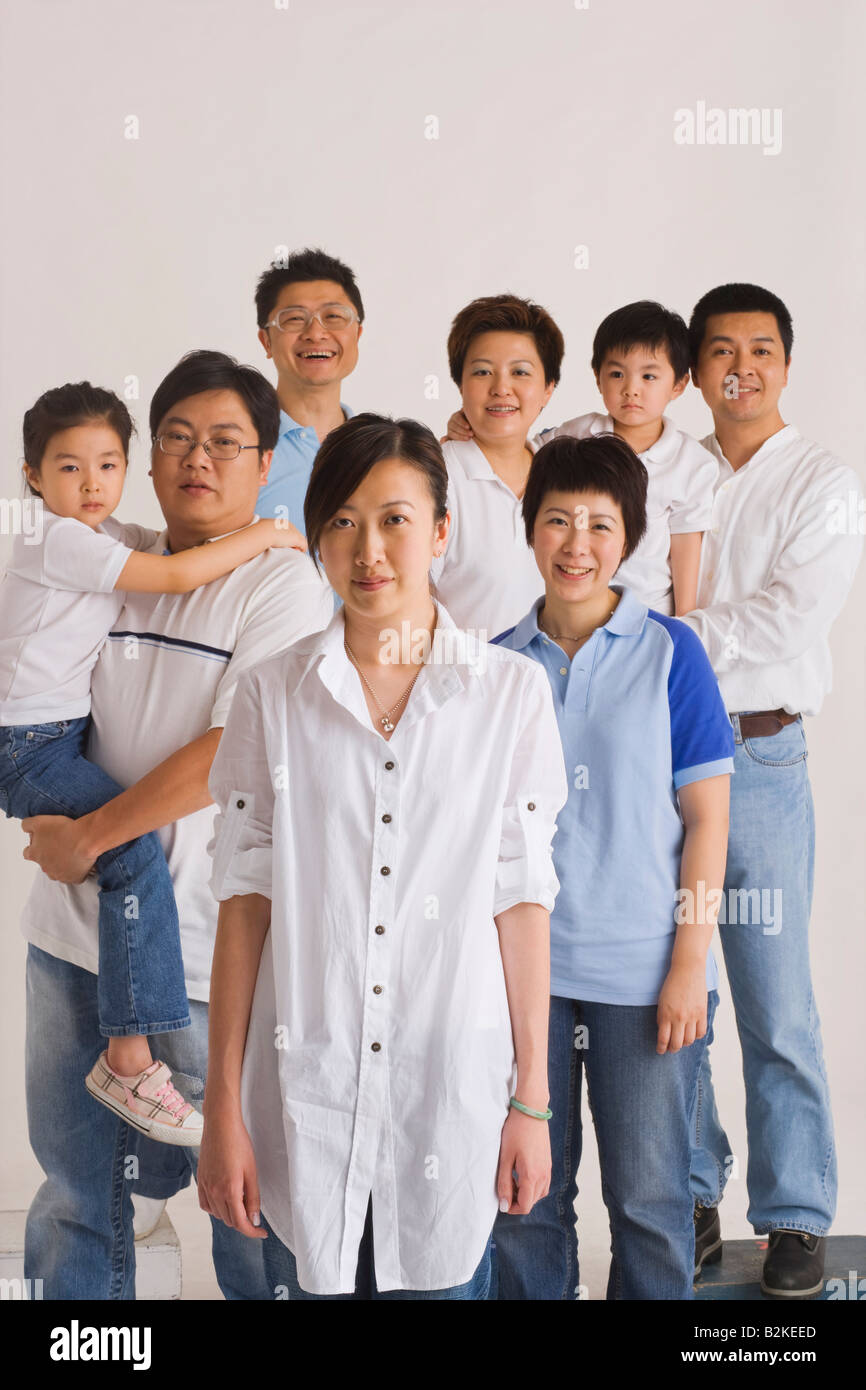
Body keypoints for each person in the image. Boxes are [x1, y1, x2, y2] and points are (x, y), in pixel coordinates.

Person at [198, 413, 570, 1299]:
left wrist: (532, 1099)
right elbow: (244, 904)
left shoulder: (509, 695)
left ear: (441, 532)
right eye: (342, 521)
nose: (369, 549)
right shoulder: (269, 696)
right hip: (303, 1101)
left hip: (452, 1103)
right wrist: (222, 1107)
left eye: (396, 519)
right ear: (318, 535)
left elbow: (520, 904)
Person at [16, 350, 333, 1299]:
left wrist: (94, 836)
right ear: (148, 460)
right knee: (79, 1192)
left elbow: (229, 747)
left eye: (226, 442)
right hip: (70, 936)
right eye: (178, 440)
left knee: (241, 1193)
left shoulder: (282, 584)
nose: (198, 458)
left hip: (201, 947)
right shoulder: (111, 557)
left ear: (267, 458)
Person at [492, 434, 733, 1300]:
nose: (576, 544)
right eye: (557, 520)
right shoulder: (494, 662)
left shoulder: (675, 652)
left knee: (650, 1202)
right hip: (525, 980)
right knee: (526, 1203)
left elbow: (707, 820)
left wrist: (690, 965)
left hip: (645, 979)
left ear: (628, 538)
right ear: (530, 530)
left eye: (600, 524)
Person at [683, 283, 863, 1297]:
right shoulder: (667, 466)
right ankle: (690, 1190)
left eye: (758, 348)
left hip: (755, 758)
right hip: (655, 760)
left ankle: (793, 1214)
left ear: (784, 364)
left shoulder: (823, 482)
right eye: (718, 350)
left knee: (773, 995)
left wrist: (662, 643)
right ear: (695, 368)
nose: (738, 366)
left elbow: (786, 620)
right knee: (670, 998)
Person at [447, 300, 716, 617]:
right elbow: (513, 443)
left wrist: (682, 629)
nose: (631, 389)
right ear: (598, 377)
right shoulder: (574, 436)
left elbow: (686, 558)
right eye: (617, 374)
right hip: (576, 617)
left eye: (649, 377)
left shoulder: (691, 465)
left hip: (645, 617)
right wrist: (462, 425)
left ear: (679, 384)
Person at [430, 294, 562, 638]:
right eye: (482, 372)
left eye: (520, 372)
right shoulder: (434, 479)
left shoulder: (565, 474)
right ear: (460, 384)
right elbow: (406, 605)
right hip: (463, 685)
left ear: (548, 389)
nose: (501, 388)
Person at [254, 246, 363, 530]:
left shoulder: (381, 447)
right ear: (266, 341)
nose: (315, 333)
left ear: (357, 334)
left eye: (333, 317)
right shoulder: (239, 448)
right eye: (294, 319)